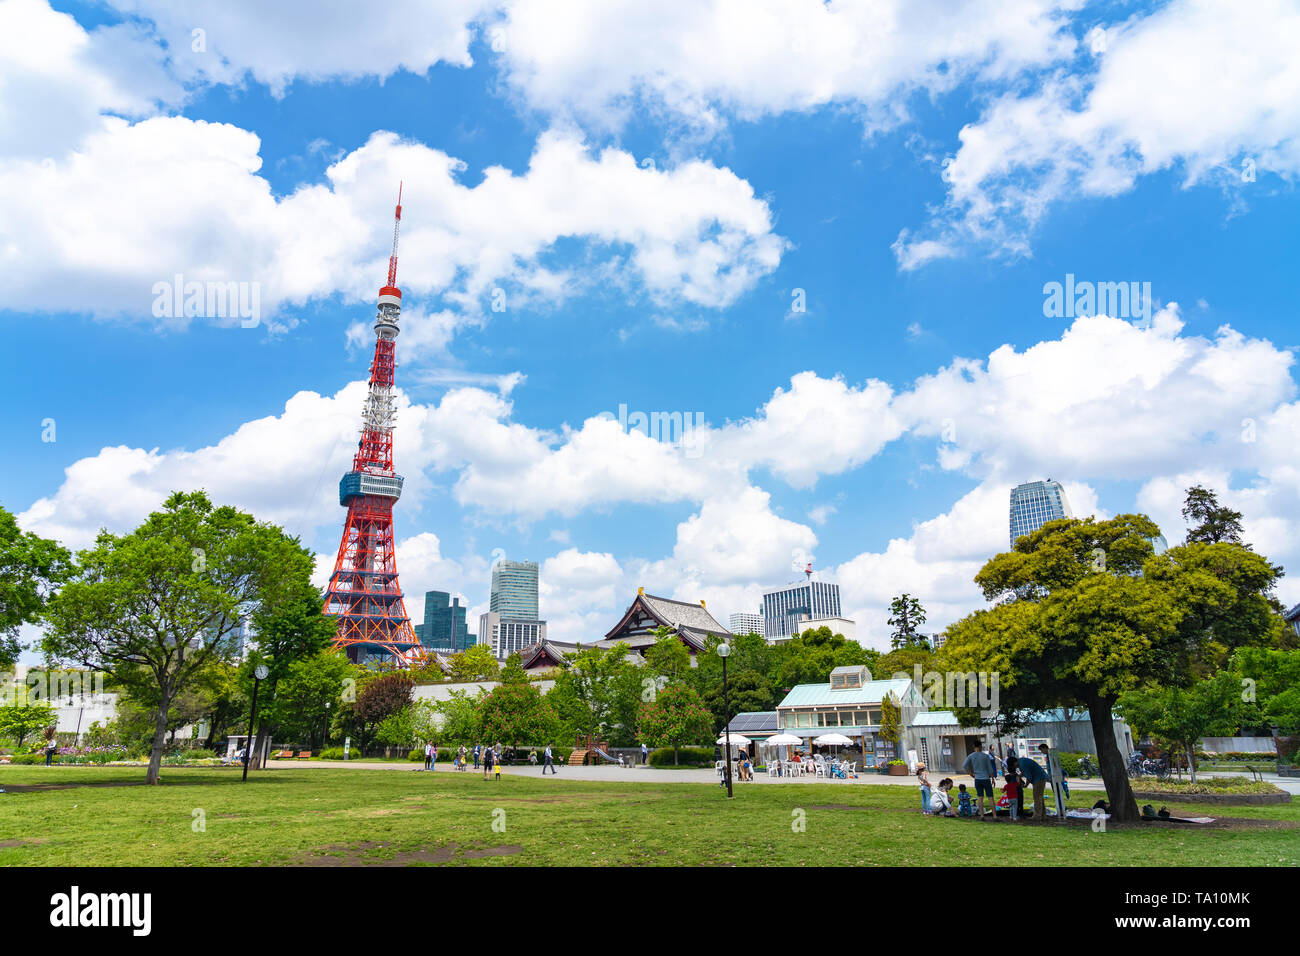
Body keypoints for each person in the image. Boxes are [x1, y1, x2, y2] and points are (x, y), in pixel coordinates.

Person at [961, 741, 997, 818]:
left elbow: (964, 766)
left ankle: (981, 815)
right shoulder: (985, 756)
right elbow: (990, 769)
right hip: (986, 778)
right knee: (990, 797)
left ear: (974, 747)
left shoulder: (971, 756)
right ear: (980, 746)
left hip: (977, 778)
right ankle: (994, 816)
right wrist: (993, 778)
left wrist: (971, 774)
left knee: (980, 797)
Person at [1022, 743, 1053, 820]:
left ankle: (1038, 815)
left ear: (1045, 748)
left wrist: (1026, 784)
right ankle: (1042, 815)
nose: (1041, 752)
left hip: (1043, 778)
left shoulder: (1050, 755)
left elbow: (1029, 776)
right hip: (1047, 776)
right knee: (1040, 797)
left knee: (1037, 797)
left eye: (1041, 750)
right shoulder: (1049, 755)